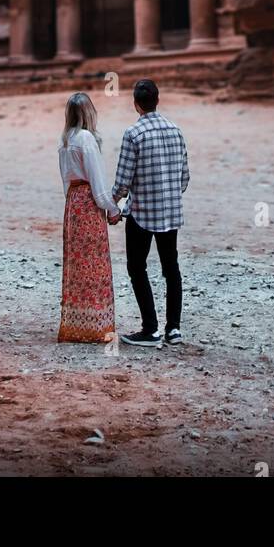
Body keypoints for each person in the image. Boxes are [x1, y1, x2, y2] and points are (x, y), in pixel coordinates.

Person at [112, 78, 189, 348]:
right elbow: (184, 178)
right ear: (157, 100)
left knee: (137, 267)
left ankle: (150, 329)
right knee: (172, 268)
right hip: (170, 212)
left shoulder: (133, 134)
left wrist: (112, 205)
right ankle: (174, 329)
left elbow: (123, 180)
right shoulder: (175, 130)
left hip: (142, 214)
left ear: (136, 105)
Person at [57, 91, 122, 343]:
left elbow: (65, 181)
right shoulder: (86, 139)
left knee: (76, 264)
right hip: (88, 204)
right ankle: (96, 325)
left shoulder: (65, 140)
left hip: (72, 204)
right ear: (89, 113)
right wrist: (113, 209)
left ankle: (75, 324)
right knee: (95, 264)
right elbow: (98, 182)